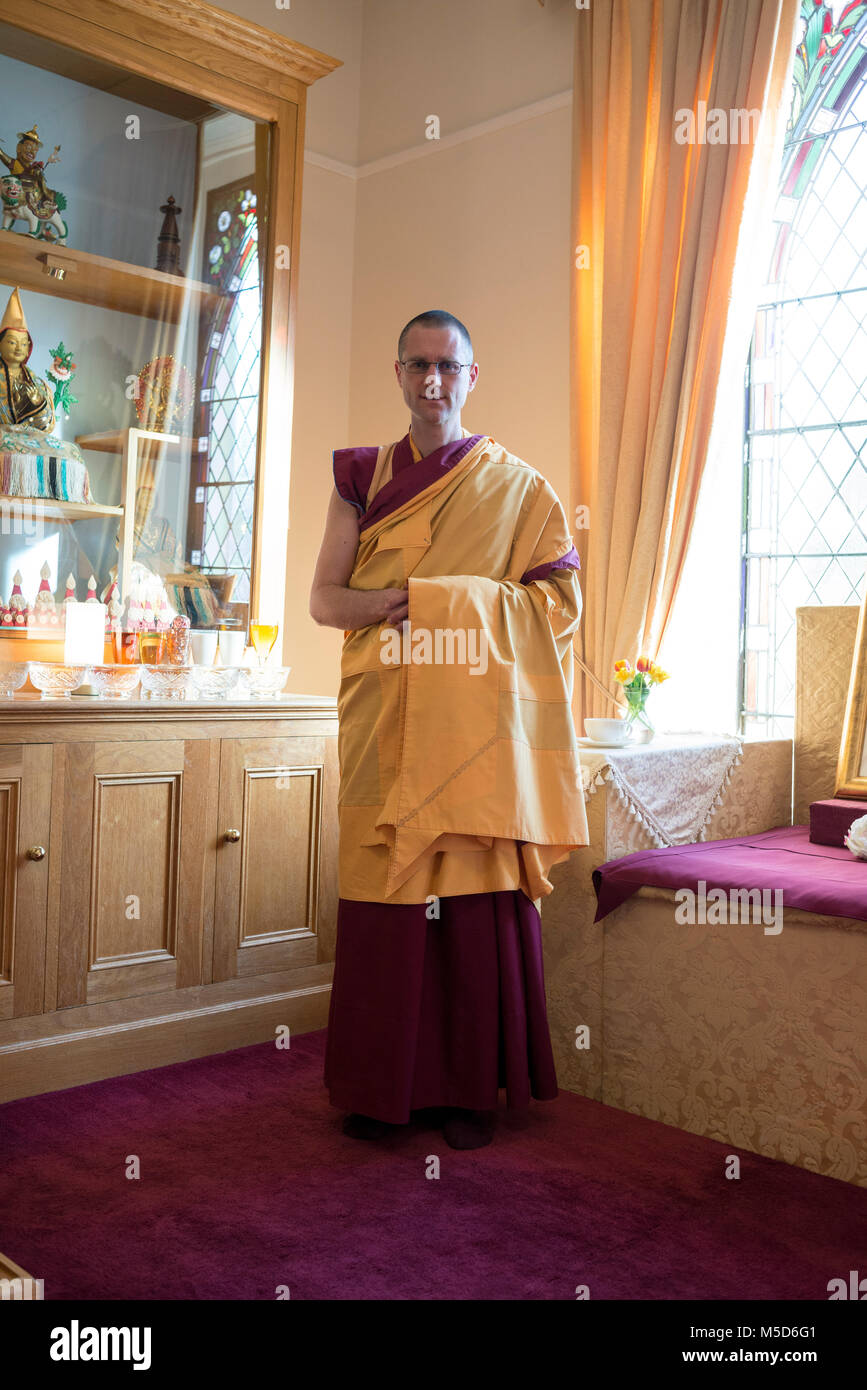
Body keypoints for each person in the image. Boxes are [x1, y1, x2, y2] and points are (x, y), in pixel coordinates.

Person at [309, 310, 589, 1150]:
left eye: (448, 367)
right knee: (385, 898)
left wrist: (440, 605)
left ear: (473, 377)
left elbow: (558, 608)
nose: (432, 382)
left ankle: (468, 1091)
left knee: (463, 898)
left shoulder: (518, 487)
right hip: (379, 719)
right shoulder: (358, 476)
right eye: (417, 366)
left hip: (470, 733)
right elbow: (327, 601)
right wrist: (398, 604)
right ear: (397, 373)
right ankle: (377, 1090)